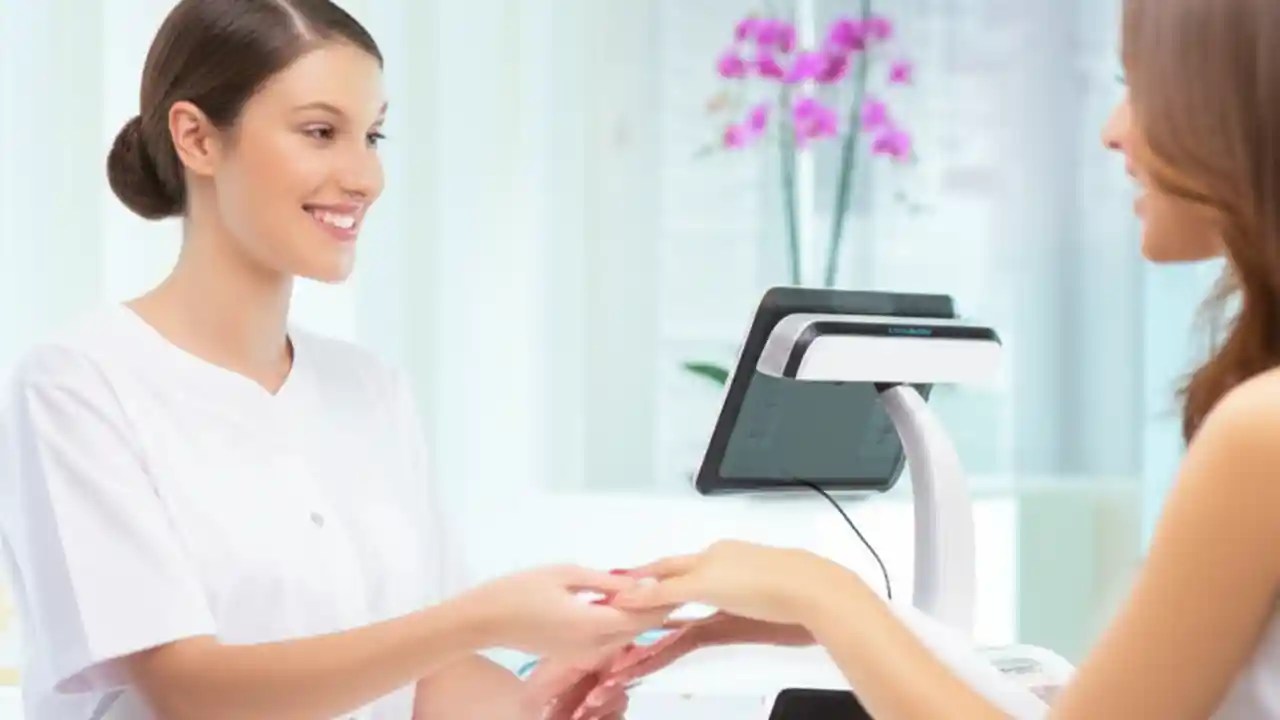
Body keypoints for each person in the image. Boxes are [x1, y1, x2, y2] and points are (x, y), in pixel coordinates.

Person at [572, 0, 1280, 717]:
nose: (1113, 131)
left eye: (1140, 87)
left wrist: (821, 593)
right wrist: (846, 620)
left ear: (1237, 106)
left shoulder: (1260, 429)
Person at [0, 1, 670, 718]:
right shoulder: (80, 383)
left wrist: (541, 705)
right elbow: (186, 688)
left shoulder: (371, 391)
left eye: (372, 135)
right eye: (320, 132)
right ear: (196, 138)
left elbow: (422, 676)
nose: (365, 177)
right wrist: (483, 619)